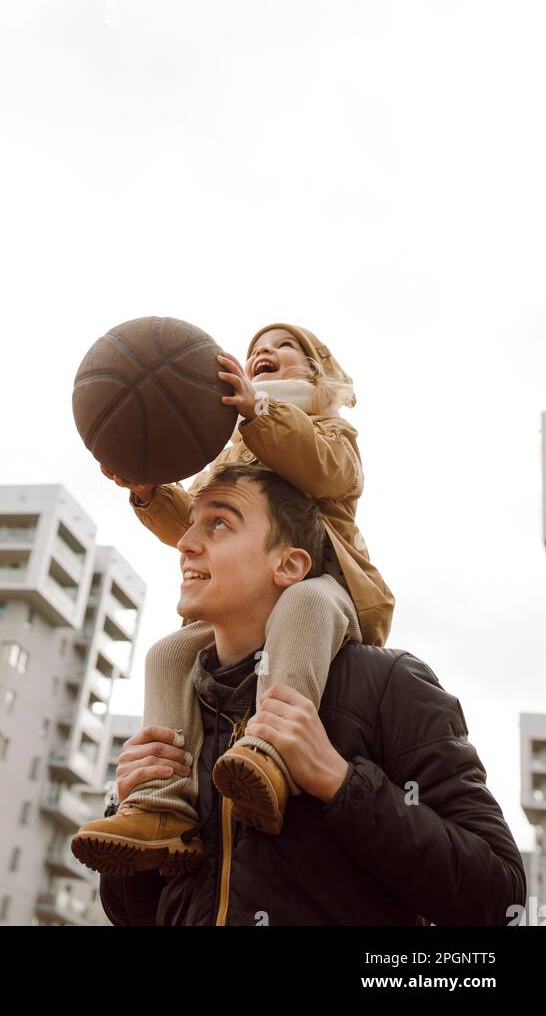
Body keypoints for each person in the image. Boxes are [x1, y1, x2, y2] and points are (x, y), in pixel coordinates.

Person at [98, 465, 526, 926]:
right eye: (189, 526)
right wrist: (128, 809)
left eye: (219, 523)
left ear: (290, 565)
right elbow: (134, 915)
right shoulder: (182, 707)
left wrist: (342, 783)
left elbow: (500, 899)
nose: (185, 544)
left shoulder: (386, 683)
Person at [72, 323, 393, 874]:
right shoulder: (232, 456)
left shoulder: (331, 434)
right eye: (253, 349)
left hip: (323, 591)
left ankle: (270, 757)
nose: (262, 351)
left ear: (318, 370)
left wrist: (260, 413)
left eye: (283, 346)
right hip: (250, 609)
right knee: (168, 654)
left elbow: (323, 469)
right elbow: (193, 526)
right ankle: (161, 802)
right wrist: (148, 490)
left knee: (304, 604)